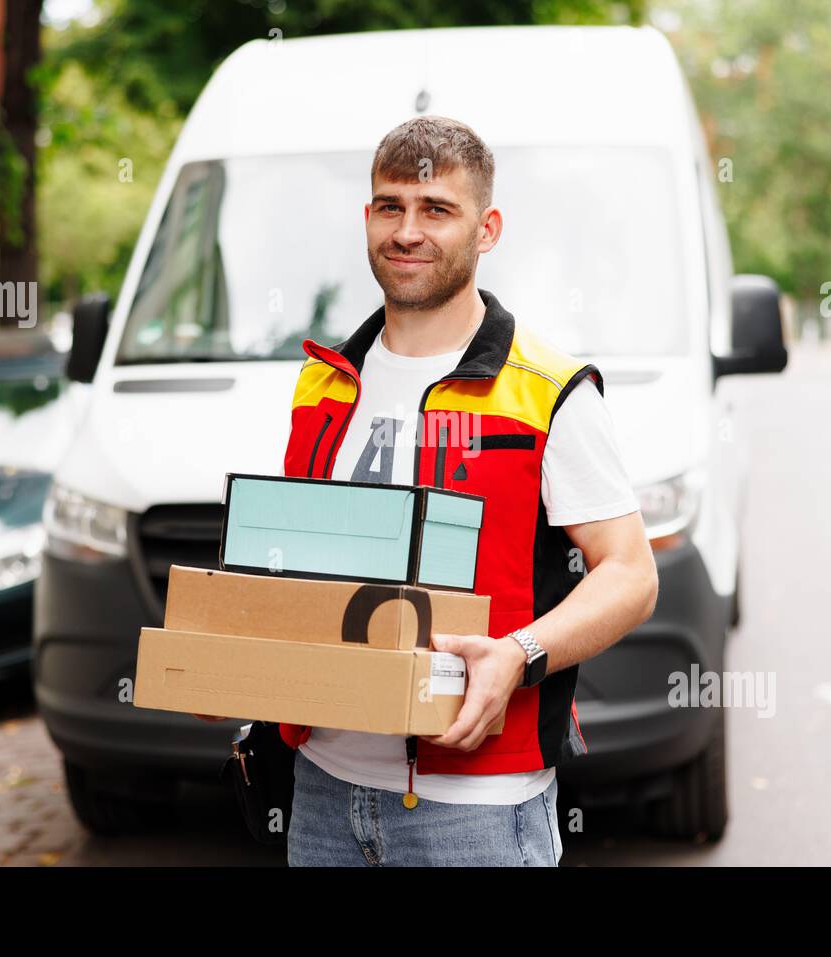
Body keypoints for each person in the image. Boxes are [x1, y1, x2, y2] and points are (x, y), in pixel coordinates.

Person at [200, 115, 657, 866]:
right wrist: (236, 663)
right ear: (369, 217)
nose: (407, 230)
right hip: (321, 793)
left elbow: (632, 576)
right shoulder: (322, 381)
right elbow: (298, 572)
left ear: (487, 228)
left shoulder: (547, 389)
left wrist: (519, 653)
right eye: (391, 206)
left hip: (477, 815)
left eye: (436, 209)